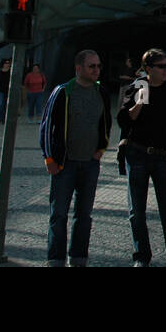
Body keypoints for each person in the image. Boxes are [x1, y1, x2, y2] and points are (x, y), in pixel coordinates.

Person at [118, 48, 166, 267]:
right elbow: (124, 120)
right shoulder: (136, 88)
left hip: (164, 156)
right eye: (161, 66)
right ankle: (141, 257)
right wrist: (140, 101)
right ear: (148, 69)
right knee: (137, 211)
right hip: (137, 153)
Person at [40, 49, 110, 267]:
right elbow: (47, 126)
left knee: (84, 214)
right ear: (78, 68)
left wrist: (101, 148)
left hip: (90, 163)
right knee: (59, 213)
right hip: (65, 163)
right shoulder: (63, 92)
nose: (97, 70)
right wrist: (50, 159)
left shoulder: (101, 92)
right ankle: (56, 258)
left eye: (98, 66)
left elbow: (106, 122)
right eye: (92, 66)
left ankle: (79, 257)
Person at [0, 58, 12, 124]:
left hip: (8, 90)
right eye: (5, 63)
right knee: (0, 104)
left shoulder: (11, 71)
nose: (7, 64)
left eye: (8, 63)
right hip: (0, 90)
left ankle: (3, 119)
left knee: (5, 105)